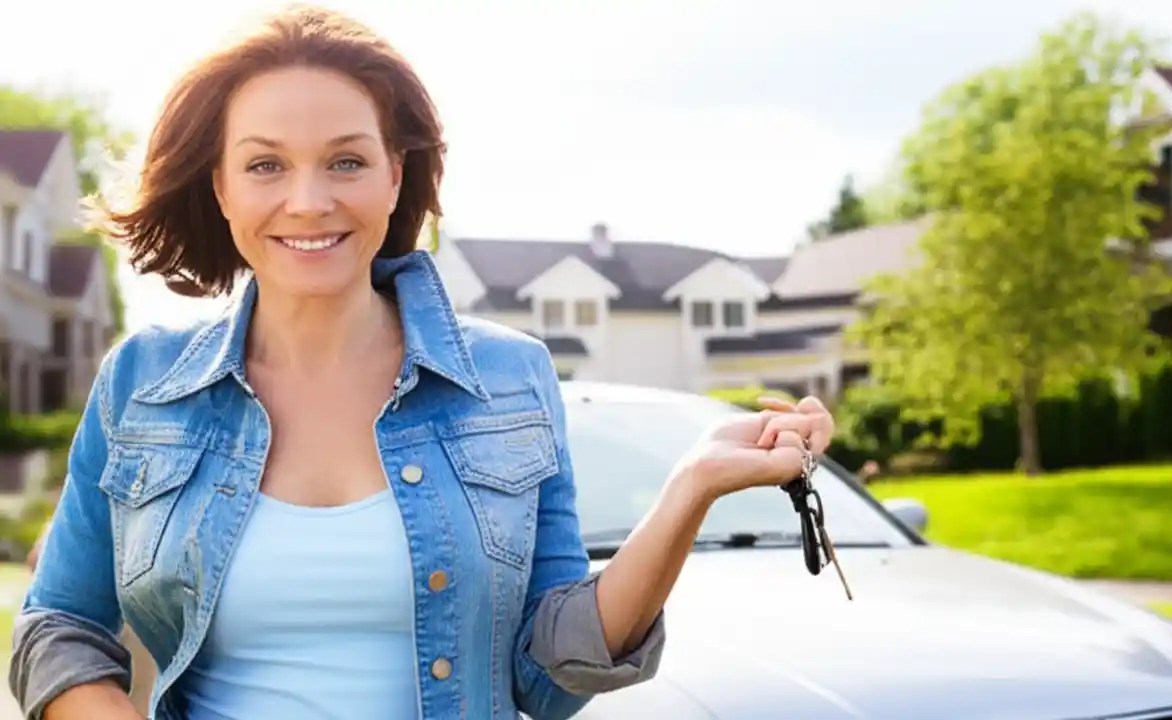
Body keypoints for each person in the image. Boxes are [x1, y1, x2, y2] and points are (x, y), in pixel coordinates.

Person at [9, 5, 837, 720]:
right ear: (220, 187)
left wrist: (688, 488)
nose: (309, 200)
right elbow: (59, 626)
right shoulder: (143, 384)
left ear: (394, 175)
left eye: (346, 161)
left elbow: (550, 677)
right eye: (266, 165)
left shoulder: (509, 378)